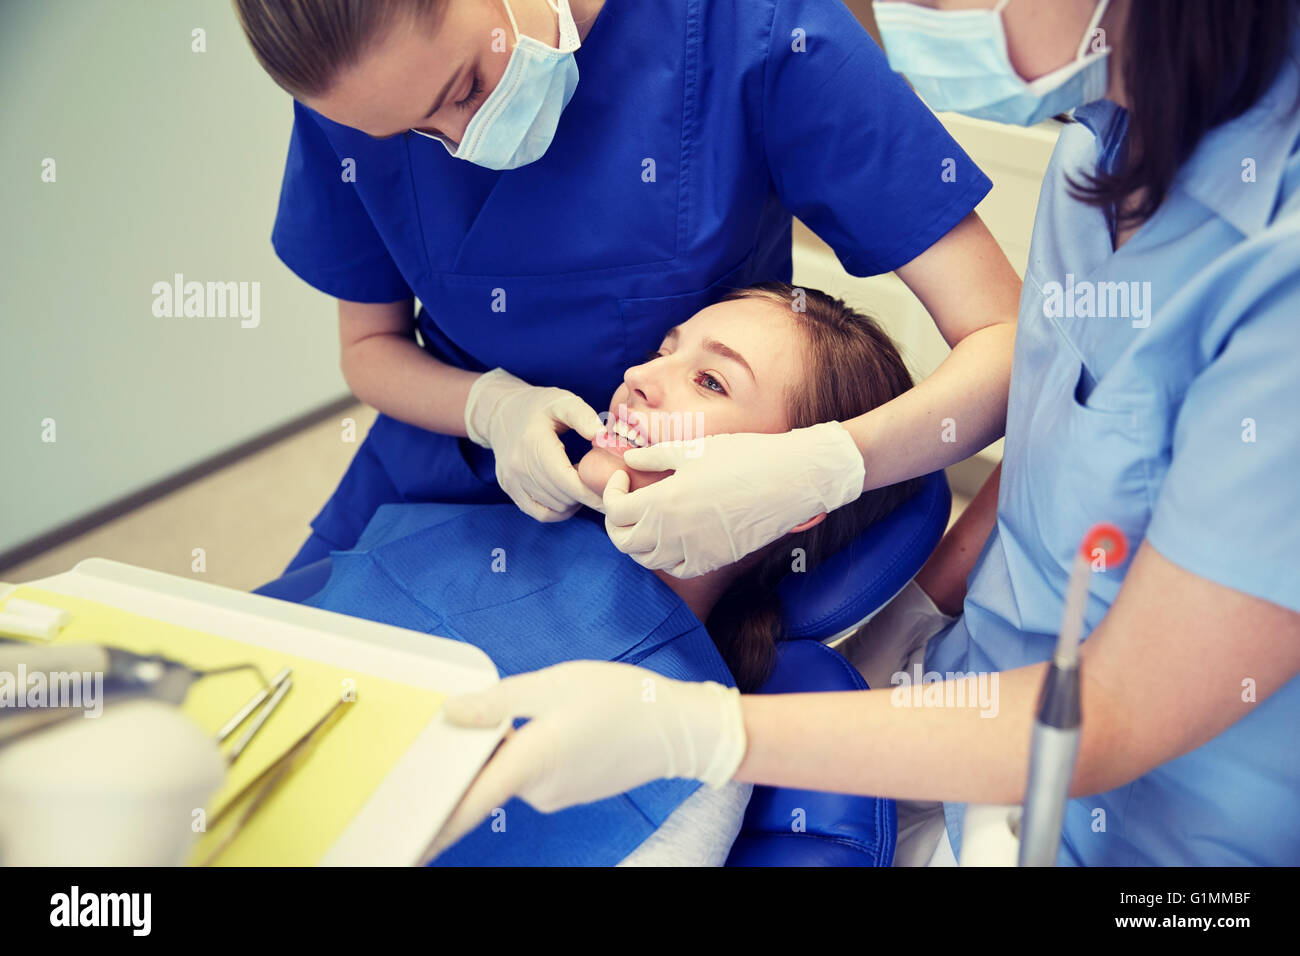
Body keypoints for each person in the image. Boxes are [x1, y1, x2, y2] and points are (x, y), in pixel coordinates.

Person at [428, 0, 1300, 867]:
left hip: (1152, 834)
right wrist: (914, 620)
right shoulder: (1097, 160)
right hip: (959, 702)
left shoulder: (1277, 279)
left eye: (709, 377)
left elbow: (1118, 713)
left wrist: (705, 736)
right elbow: (1057, 445)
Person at [234, 0, 1020, 580]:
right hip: (433, 479)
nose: (459, 145)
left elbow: (1009, 341)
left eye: (468, 87)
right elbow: (369, 349)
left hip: (682, 527)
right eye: (408, 134)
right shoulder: (360, 93)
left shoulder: (755, 31)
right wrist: (491, 409)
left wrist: (826, 465)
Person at [301, 283, 920, 864]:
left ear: (792, 493)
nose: (638, 378)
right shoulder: (476, 530)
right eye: (662, 350)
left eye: (710, 381)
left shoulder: (687, 749)